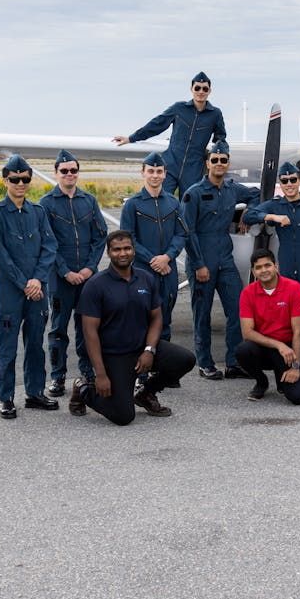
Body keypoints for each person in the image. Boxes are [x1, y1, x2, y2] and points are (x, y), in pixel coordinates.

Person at [68, 230, 196, 425]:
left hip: (141, 349)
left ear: (133, 251)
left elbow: (156, 318)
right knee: (123, 416)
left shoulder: (146, 279)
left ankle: (146, 393)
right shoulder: (95, 285)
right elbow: (89, 333)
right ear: (109, 253)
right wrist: (100, 374)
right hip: (115, 355)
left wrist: (149, 350)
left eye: (127, 248)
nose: (122, 253)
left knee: (185, 359)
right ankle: (84, 389)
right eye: (117, 249)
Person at [0, 154, 59, 419]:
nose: (20, 184)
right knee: (6, 345)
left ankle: (35, 392)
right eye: (14, 179)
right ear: (5, 180)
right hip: (10, 290)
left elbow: (50, 246)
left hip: (38, 290)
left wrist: (38, 279)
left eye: (25, 179)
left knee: (36, 342)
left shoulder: (37, 213)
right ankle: (5, 397)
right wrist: (25, 282)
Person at [242, 162, 300, 380]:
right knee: (287, 316)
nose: (290, 184)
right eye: (285, 181)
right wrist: (272, 218)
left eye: (293, 179)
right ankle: (291, 357)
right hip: (286, 269)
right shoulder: (276, 206)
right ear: (280, 184)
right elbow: (248, 215)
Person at [181, 140, 261, 379]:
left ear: (228, 164)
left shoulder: (232, 189)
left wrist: (249, 211)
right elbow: (188, 231)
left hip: (225, 258)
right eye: (214, 160)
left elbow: (256, 194)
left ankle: (234, 362)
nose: (219, 163)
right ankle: (205, 363)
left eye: (223, 160)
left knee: (238, 309)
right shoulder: (193, 193)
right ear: (207, 163)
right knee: (202, 314)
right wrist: (198, 264)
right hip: (202, 258)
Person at [39, 149, 107, 399]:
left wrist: (90, 267)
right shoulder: (46, 204)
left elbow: (100, 236)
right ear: (56, 173)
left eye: (73, 170)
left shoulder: (88, 201)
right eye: (64, 171)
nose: (69, 174)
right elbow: (47, 242)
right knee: (58, 329)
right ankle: (57, 377)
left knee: (88, 327)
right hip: (60, 279)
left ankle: (88, 373)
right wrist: (65, 271)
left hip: (88, 277)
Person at [113, 71, 227, 198]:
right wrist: (131, 138)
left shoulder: (215, 114)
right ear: (191, 89)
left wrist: (221, 157)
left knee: (189, 204)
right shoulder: (179, 108)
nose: (201, 91)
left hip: (194, 168)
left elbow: (220, 139)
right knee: (161, 201)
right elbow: (157, 124)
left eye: (204, 89)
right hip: (171, 164)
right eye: (197, 88)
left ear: (209, 91)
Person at [119, 152, 191, 342]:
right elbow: (128, 239)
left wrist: (167, 257)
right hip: (142, 270)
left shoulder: (174, 203)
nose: (155, 175)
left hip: (168, 270)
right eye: (151, 171)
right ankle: (142, 369)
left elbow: (181, 233)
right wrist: (153, 260)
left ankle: (162, 367)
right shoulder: (132, 205)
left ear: (165, 174)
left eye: (159, 171)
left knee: (165, 319)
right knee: (141, 319)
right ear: (142, 173)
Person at [235, 249, 300, 404]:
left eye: (267, 265)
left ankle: (281, 375)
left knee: (297, 397)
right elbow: (247, 333)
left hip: (290, 350)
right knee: (243, 350)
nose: (263, 270)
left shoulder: (294, 288)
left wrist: (295, 367)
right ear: (253, 271)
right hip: (265, 347)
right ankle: (261, 382)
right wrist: (278, 345)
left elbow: (299, 332)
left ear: (276, 266)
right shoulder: (247, 293)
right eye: (258, 267)